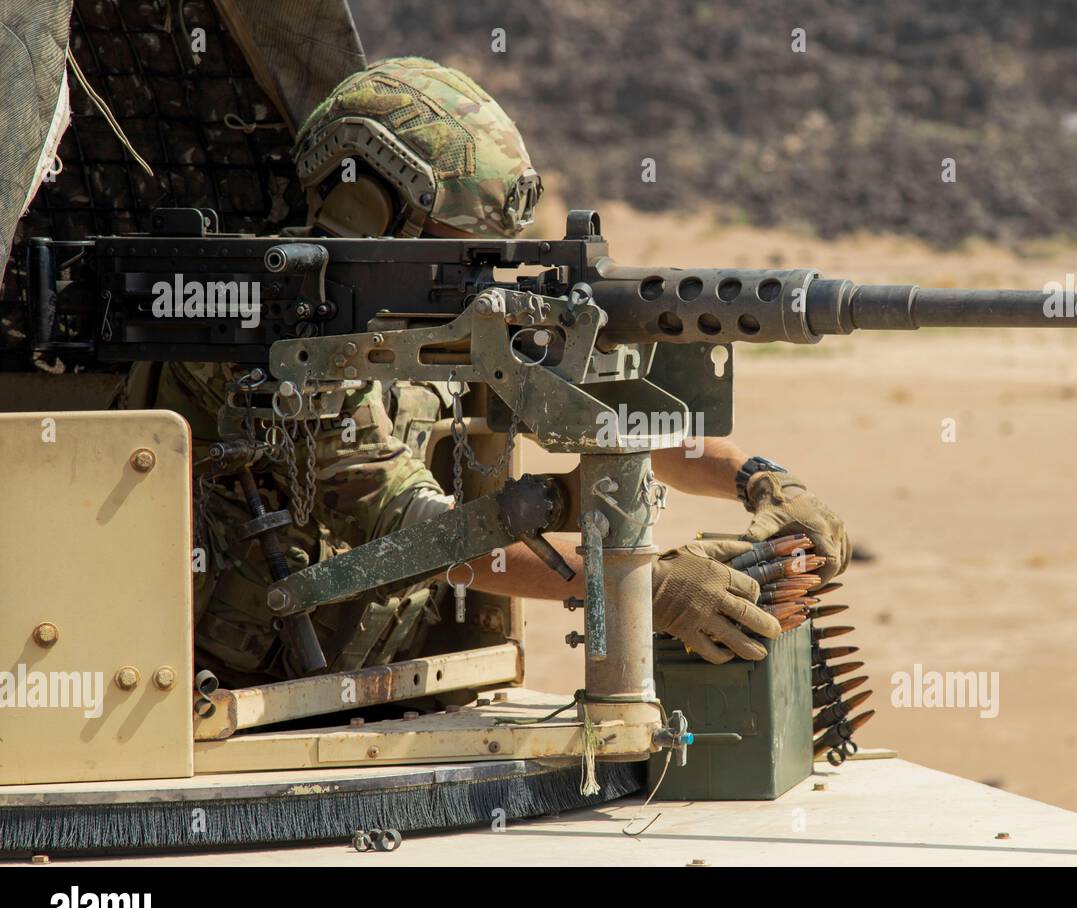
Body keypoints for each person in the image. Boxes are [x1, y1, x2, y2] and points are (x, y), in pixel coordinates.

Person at [151, 57, 848, 684]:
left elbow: (607, 411)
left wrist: (758, 478)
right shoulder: (266, 324)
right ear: (367, 207)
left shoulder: (430, 307)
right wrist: (645, 586)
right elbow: (414, 529)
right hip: (231, 695)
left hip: (366, 687)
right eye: (463, 243)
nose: (480, 270)